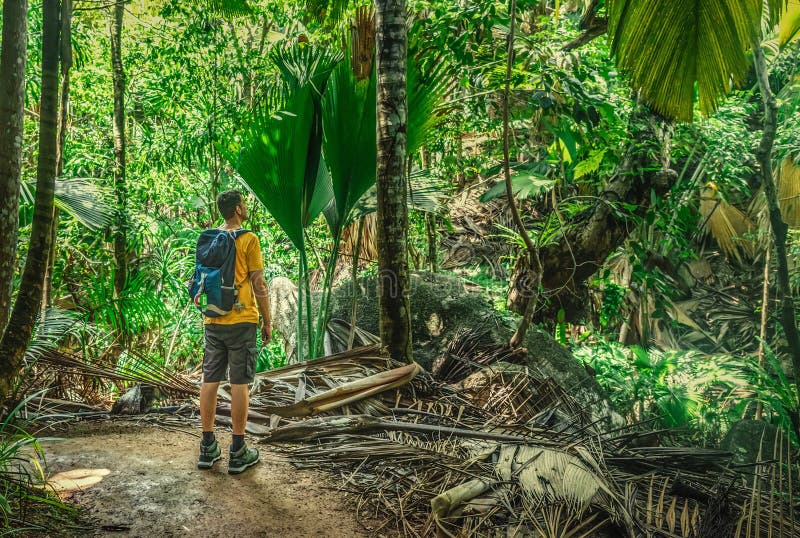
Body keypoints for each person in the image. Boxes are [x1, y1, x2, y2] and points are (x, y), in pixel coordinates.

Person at [197, 190, 272, 474]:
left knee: (210, 380)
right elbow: (259, 284)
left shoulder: (209, 239)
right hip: (242, 320)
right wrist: (268, 321)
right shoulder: (248, 239)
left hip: (213, 320)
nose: (246, 206)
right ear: (238, 209)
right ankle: (238, 450)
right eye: (244, 204)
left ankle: (207, 447)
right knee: (239, 383)